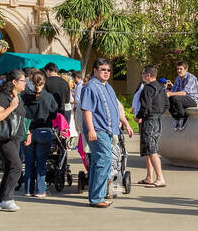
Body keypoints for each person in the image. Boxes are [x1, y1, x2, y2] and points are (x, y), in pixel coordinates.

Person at [80, 57, 133, 207]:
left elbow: (116, 108)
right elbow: (87, 110)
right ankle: (98, 197)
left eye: (109, 70)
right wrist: (90, 129)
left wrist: (126, 124)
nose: (106, 72)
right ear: (95, 71)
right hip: (98, 130)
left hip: (109, 130)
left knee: (99, 162)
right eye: (103, 69)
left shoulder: (108, 87)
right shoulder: (90, 87)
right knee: (104, 161)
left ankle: (96, 195)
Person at [0, 69, 30, 211]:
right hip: (4, 137)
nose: (26, 83)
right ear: (14, 82)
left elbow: (20, 117)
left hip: (15, 137)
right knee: (17, 166)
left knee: (9, 167)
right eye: (23, 81)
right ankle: (7, 199)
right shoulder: (4, 96)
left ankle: (2, 199)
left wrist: (28, 132)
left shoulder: (18, 96)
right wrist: (11, 107)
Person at [22, 71, 59, 197]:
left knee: (29, 162)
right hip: (43, 130)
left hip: (28, 131)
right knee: (41, 162)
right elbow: (54, 113)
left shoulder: (24, 96)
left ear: (32, 81)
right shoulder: (48, 97)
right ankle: (40, 190)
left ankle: (28, 189)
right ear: (44, 82)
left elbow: (21, 112)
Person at [135, 64, 168, 187]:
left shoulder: (147, 89)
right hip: (158, 120)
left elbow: (145, 107)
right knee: (149, 149)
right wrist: (158, 113)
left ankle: (160, 178)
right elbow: (166, 105)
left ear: (148, 75)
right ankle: (149, 176)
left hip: (149, 121)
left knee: (151, 149)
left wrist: (139, 116)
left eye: (143, 74)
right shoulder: (161, 87)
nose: (142, 76)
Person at [168, 60, 198, 130]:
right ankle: (176, 117)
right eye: (177, 69)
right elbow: (173, 90)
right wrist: (167, 93)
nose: (179, 71)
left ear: (186, 69)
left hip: (193, 100)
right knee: (167, 99)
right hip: (182, 99)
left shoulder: (191, 78)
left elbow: (184, 93)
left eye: (181, 69)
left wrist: (171, 94)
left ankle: (183, 117)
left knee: (175, 98)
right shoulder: (178, 78)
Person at [43, 63, 72, 129]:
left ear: (47, 71)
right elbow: (67, 101)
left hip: (48, 115)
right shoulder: (65, 83)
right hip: (62, 113)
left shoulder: (45, 82)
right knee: (60, 136)